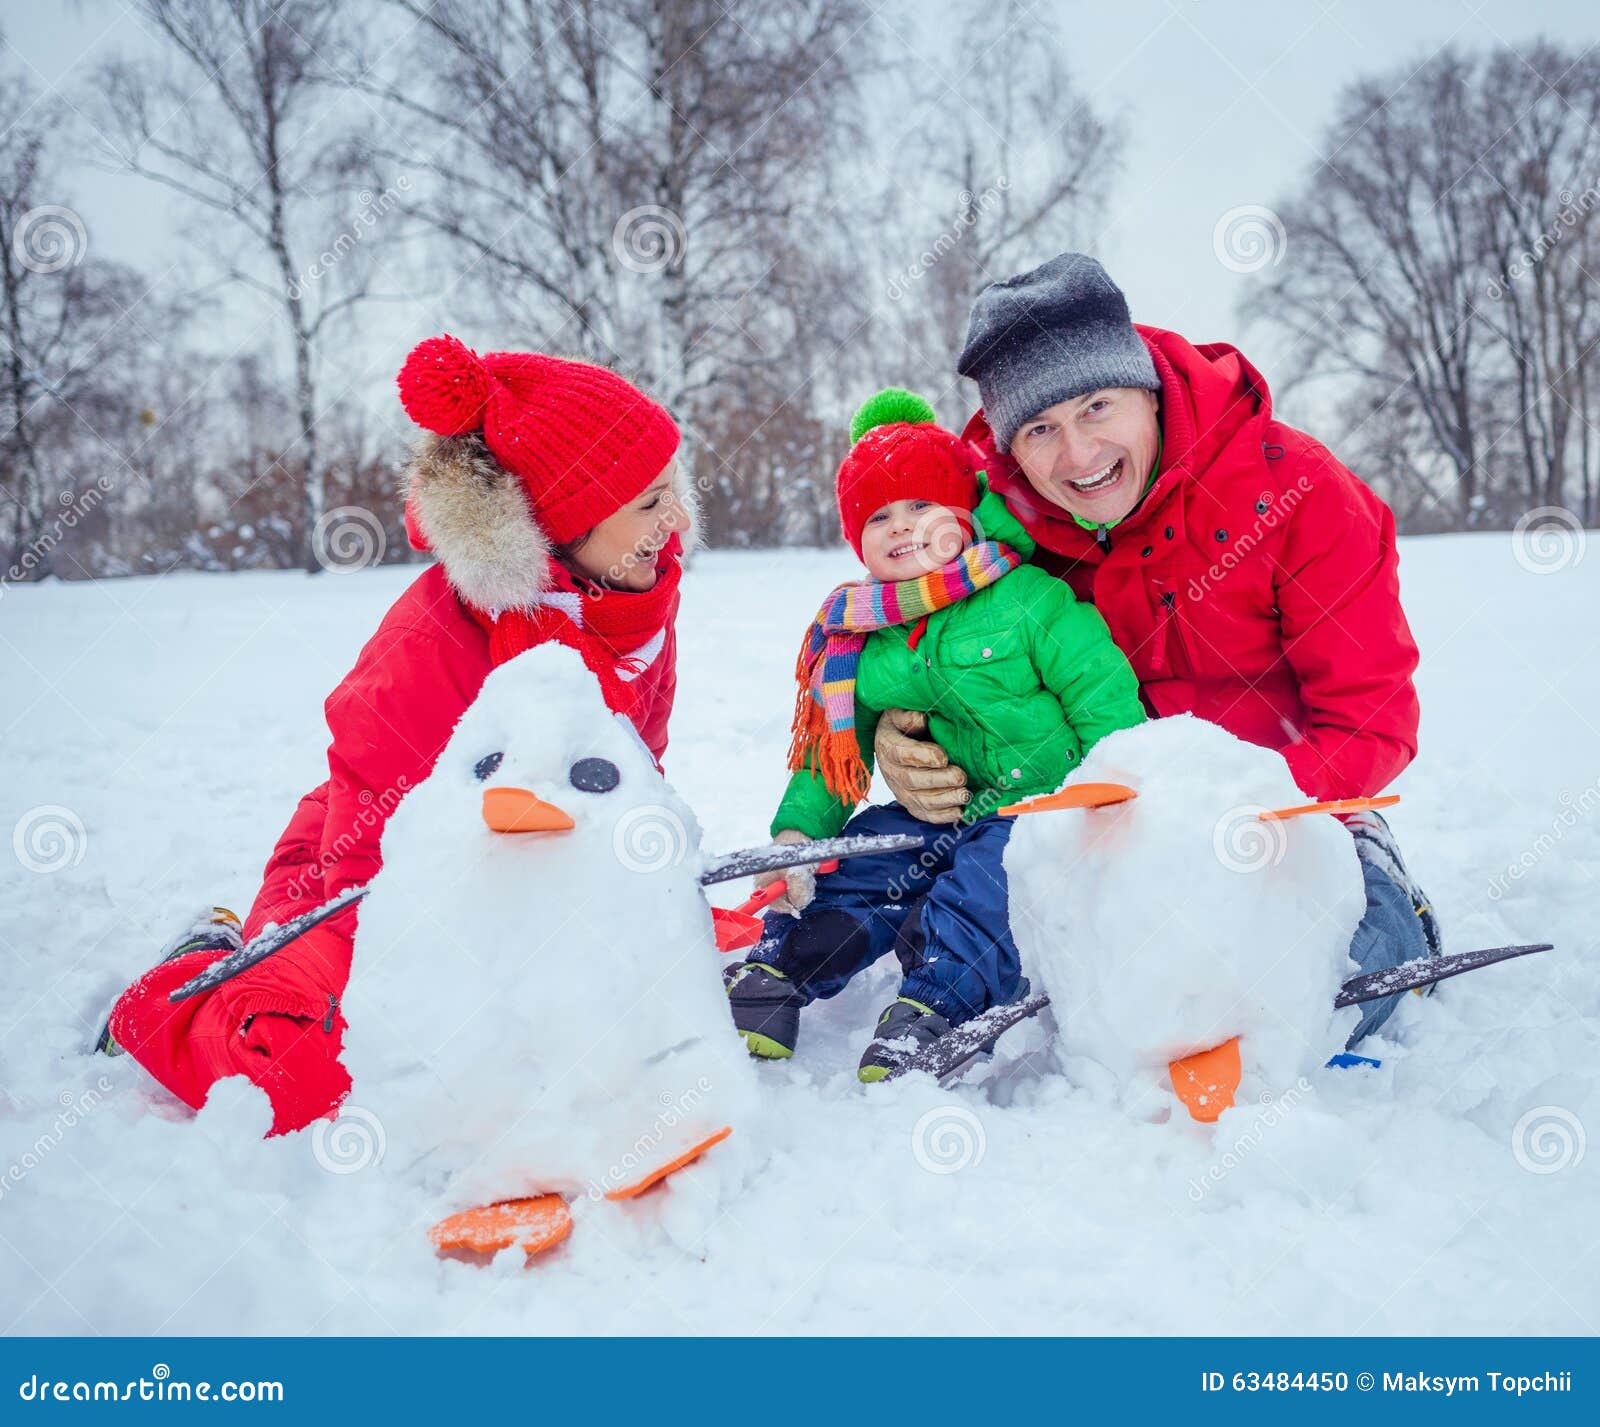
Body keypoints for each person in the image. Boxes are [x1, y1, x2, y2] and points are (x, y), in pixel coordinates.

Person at [104, 334, 697, 1134]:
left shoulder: (638, 603)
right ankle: (195, 979)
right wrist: (433, 980)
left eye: (673, 488)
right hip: (363, 870)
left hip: (533, 877)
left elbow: (632, 776)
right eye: (648, 503)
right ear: (565, 526)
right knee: (312, 1071)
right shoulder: (435, 638)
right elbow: (369, 833)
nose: (678, 519)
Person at [871, 254, 1440, 1047]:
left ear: (1147, 388)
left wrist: (1220, 812)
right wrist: (906, 733)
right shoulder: (1002, 533)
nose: (1077, 455)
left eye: (1097, 406)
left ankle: (1383, 894)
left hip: (1286, 811)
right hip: (1093, 827)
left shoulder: (1301, 495)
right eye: (1040, 429)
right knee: (940, 918)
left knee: (1320, 975)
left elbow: (1372, 716)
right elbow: (937, 650)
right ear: (1011, 448)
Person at [725, 388, 1147, 1080]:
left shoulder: (1026, 598)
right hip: (936, 813)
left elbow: (1103, 696)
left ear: (963, 513)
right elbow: (829, 761)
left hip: (1037, 809)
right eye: (880, 516)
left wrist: (1120, 799)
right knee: (861, 857)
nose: (902, 527)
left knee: (987, 881)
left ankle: (935, 1005)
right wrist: (799, 837)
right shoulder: (860, 635)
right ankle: (780, 970)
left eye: (922, 506)